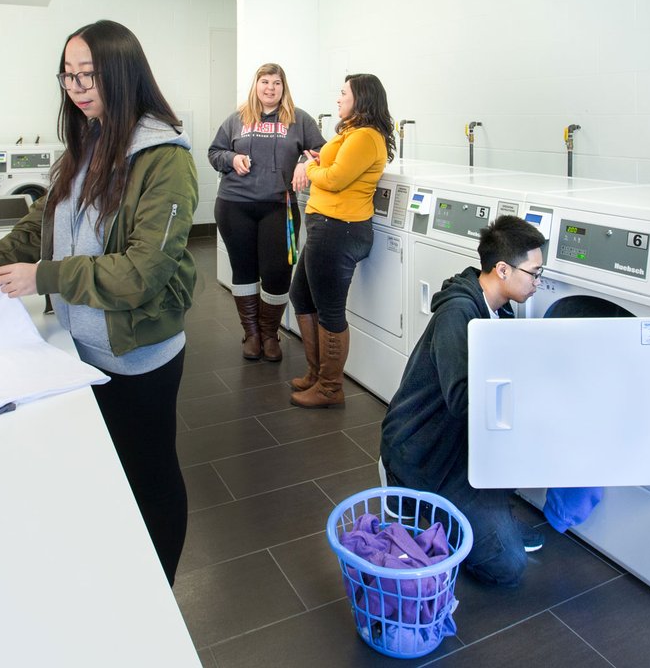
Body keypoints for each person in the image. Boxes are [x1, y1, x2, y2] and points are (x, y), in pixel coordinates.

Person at [0, 20, 198, 586]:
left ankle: (159, 589)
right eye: (68, 75)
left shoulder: (166, 160)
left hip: (138, 356)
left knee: (150, 473)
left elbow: (142, 273)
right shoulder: (88, 144)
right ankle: (121, 572)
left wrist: (44, 277)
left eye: (89, 74)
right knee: (106, 470)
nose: (76, 86)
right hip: (80, 347)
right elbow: (32, 229)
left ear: (123, 72)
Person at [380, 215, 548, 587]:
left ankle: (480, 514)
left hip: (461, 445)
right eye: (534, 273)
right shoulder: (458, 313)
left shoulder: (499, 310)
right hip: (424, 451)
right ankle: (409, 499)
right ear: (503, 269)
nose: (539, 282)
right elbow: (463, 399)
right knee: (507, 566)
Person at [288, 73, 395, 408]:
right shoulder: (352, 133)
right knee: (301, 296)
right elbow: (334, 168)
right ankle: (317, 374)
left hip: (340, 229)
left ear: (360, 99)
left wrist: (311, 170)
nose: (338, 98)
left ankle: (330, 388)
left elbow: (334, 180)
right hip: (327, 227)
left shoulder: (365, 137)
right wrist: (316, 161)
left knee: (329, 311)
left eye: (343, 93)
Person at [207, 63, 324, 362]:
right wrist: (232, 159)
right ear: (255, 85)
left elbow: (323, 153)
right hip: (235, 205)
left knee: (277, 272)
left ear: (283, 88)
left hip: (279, 207)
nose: (270, 88)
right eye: (264, 82)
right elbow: (214, 152)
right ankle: (252, 334)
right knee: (244, 269)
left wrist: (304, 162)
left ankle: (270, 333)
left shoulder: (299, 120)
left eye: (276, 83)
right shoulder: (237, 118)